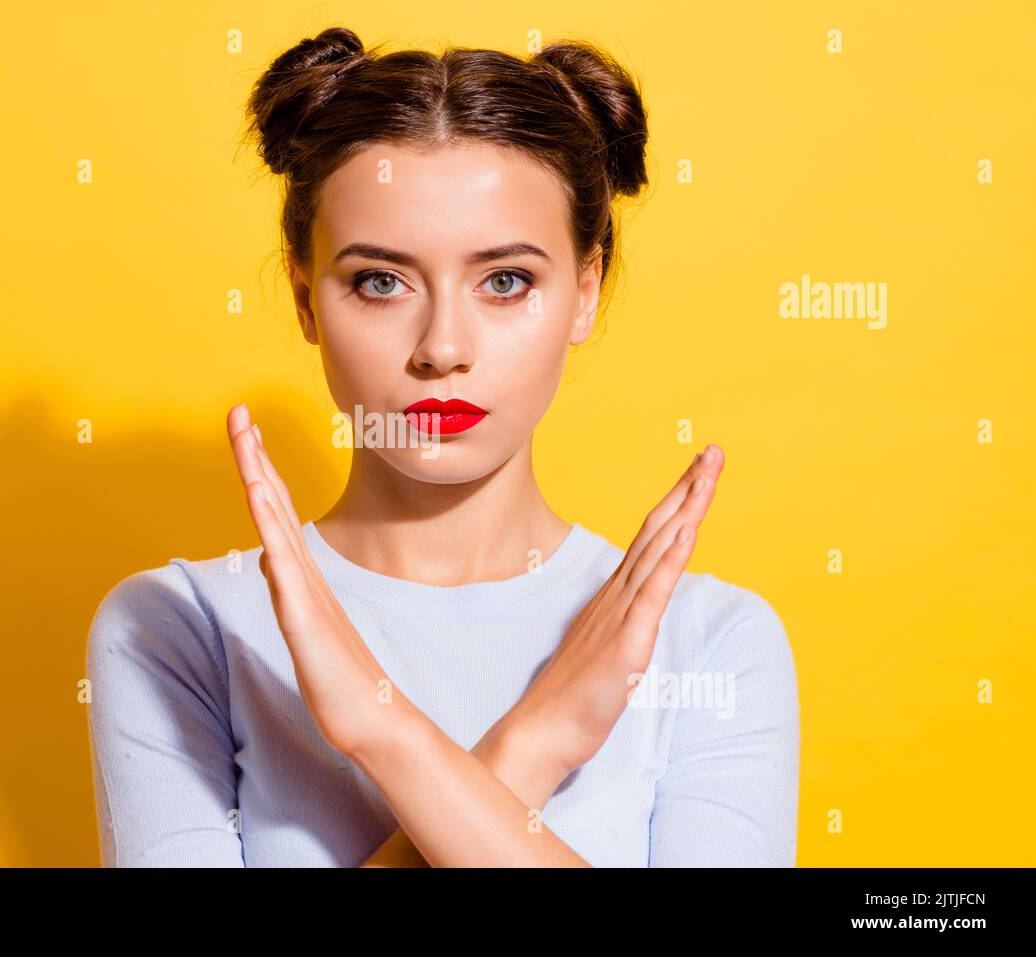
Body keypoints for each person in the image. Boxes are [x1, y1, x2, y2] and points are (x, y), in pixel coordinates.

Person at [84, 26, 800, 866]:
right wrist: (533, 742)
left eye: (505, 281)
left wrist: (387, 729)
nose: (443, 347)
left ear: (586, 290)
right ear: (306, 297)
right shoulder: (181, 631)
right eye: (381, 281)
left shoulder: (710, 642)